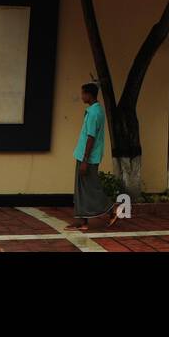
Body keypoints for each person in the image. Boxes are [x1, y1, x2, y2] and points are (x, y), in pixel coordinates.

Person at [72, 82, 117, 232]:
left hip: (88, 158)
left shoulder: (94, 113)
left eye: (83, 93)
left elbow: (91, 137)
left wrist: (85, 160)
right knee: (83, 188)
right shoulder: (96, 110)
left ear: (89, 95)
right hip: (85, 156)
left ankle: (112, 210)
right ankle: (83, 221)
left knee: (91, 188)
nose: (81, 96)